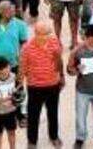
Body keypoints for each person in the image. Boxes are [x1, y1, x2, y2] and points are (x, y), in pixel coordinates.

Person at [20, 19, 64, 148]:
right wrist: (19, 83)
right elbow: (22, 67)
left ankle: (54, 136)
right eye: (44, 34)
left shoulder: (54, 42)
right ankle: (32, 141)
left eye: (49, 33)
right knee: (33, 114)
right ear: (36, 34)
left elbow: (58, 61)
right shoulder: (27, 48)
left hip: (52, 85)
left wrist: (61, 76)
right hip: (35, 87)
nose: (48, 36)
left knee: (53, 112)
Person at [0, 57, 22, 149]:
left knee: (12, 133)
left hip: (11, 112)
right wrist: (3, 101)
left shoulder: (14, 77)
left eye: (6, 67)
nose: (4, 71)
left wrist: (14, 101)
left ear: (9, 67)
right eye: (0, 69)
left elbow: (20, 93)